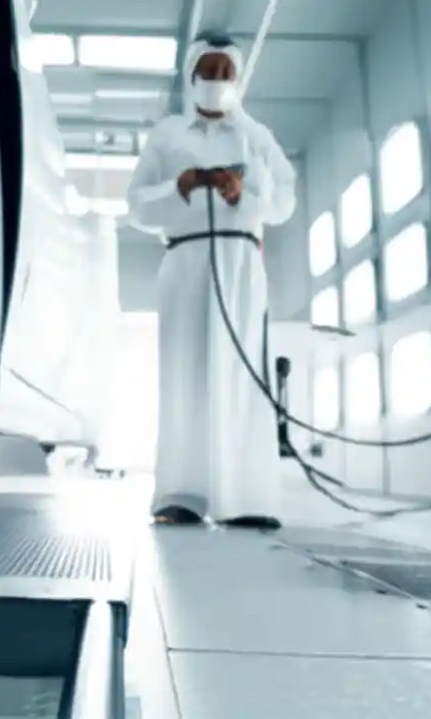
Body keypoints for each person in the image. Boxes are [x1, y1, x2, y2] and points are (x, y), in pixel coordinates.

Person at [126, 33, 297, 529]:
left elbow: (284, 203)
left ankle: (246, 496)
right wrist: (180, 185)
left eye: (226, 74)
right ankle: (181, 493)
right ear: (192, 76)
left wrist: (244, 190)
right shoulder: (168, 135)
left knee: (242, 374)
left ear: (238, 80)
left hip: (241, 263)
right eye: (209, 71)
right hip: (186, 261)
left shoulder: (257, 138)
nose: (217, 82)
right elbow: (137, 204)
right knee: (185, 373)